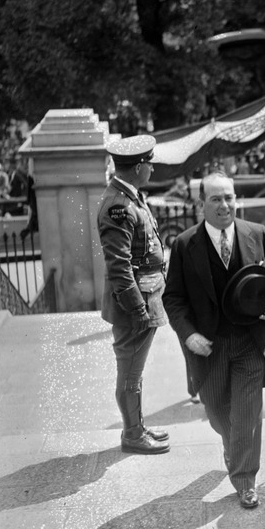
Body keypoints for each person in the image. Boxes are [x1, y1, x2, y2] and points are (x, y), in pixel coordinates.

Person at [164, 171, 265, 509]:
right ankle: (233, 446)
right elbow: (173, 297)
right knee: (219, 414)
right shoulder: (184, 245)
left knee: (247, 414)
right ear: (201, 204)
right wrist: (188, 334)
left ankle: (245, 480)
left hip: (250, 341)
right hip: (210, 347)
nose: (224, 205)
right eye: (216, 199)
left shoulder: (257, 234)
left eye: (229, 198)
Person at [96, 135, 171, 455]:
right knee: (130, 372)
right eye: (149, 164)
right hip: (135, 304)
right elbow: (119, 266)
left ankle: (137, 427)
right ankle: (132, 434)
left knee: (134, 371)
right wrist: (138, 309)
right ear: (139, 167)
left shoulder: (129, 196)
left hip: (145, 296)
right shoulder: (119, 206)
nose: (152, 169)